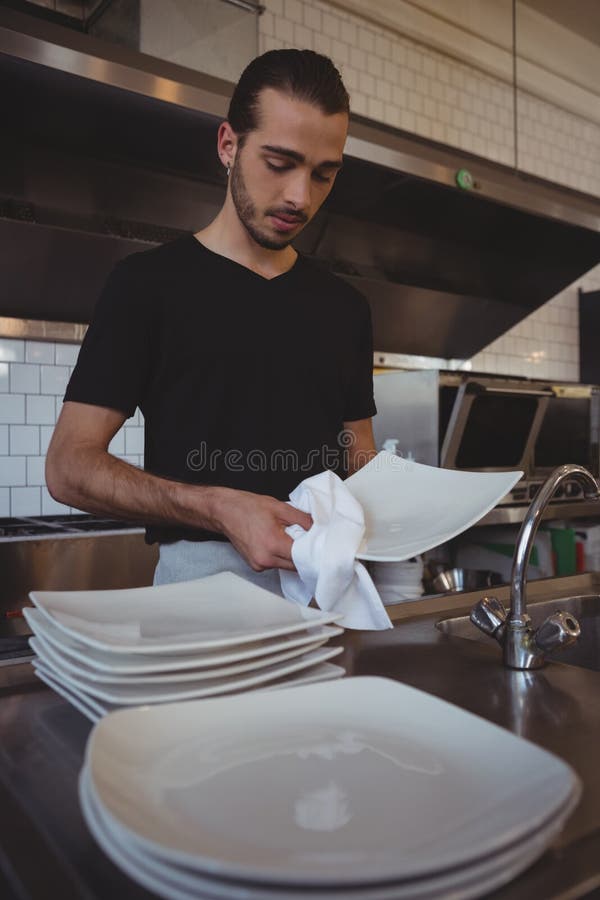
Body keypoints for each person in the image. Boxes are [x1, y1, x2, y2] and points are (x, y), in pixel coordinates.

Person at [46, 49, 377, 594]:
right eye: (279, 163)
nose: (300, 196)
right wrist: (217, 506)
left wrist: (413, 511)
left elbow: (359, 457)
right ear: (229, 145)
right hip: (197, 594)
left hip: (327, 590)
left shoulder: (346, 308)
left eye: (323, 174)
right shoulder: (146, 286)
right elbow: (69, 466)